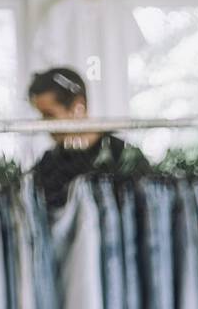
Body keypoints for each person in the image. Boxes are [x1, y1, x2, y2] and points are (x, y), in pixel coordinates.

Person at [28, 67, 151, 208]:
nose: (44, 125)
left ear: (78, 106)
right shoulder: (48, 164)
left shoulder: (124, 158)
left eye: (49, 115)